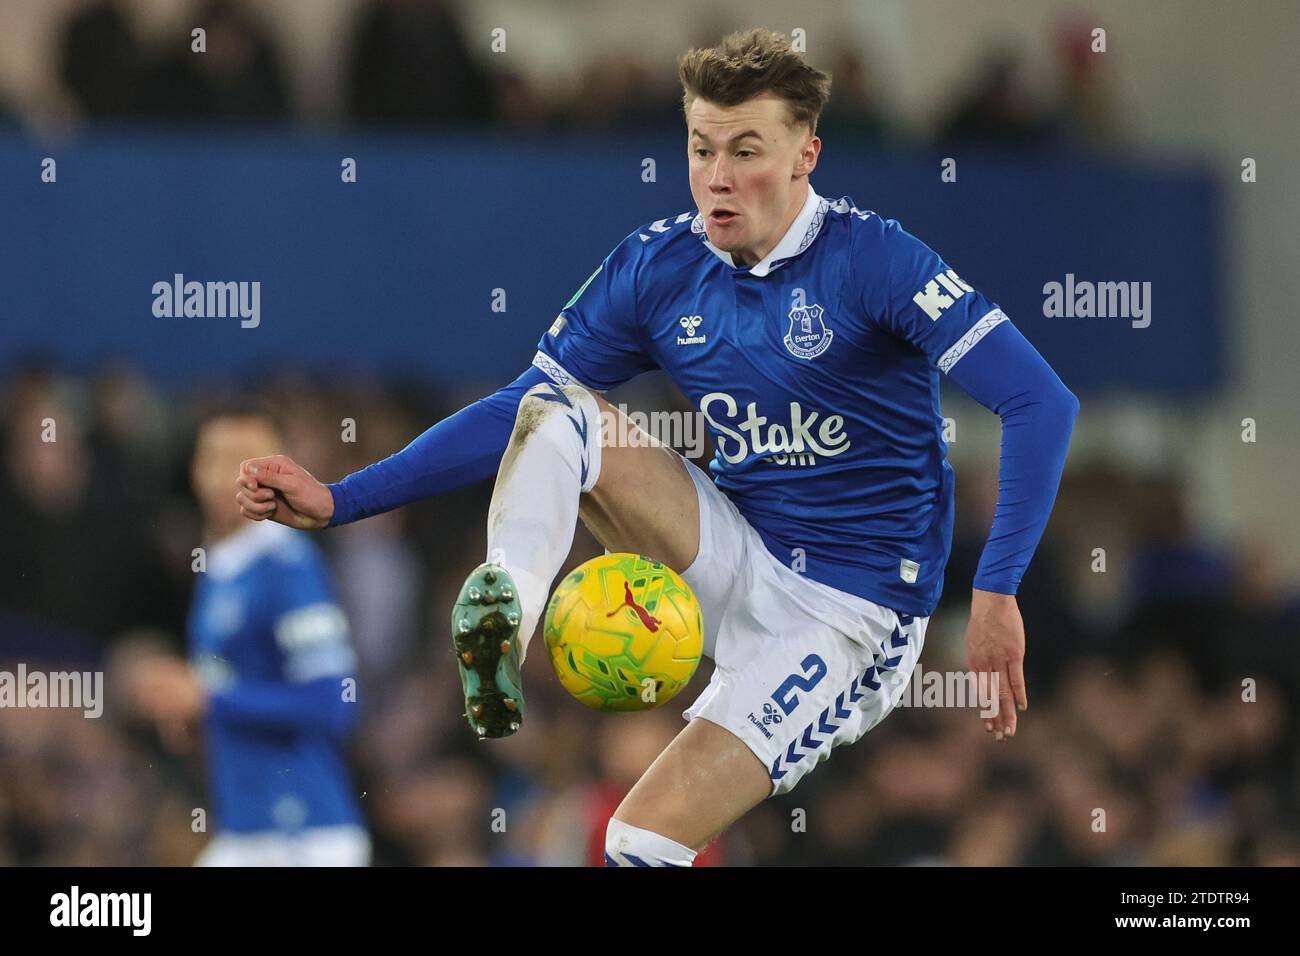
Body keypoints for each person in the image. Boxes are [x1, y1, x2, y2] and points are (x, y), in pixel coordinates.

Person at [235, 29, 1078, 867]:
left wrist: (997, 592)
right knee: (555, 409)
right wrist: (344, 499)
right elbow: (512, 414)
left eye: (747, 150)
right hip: (735, 552)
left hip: (851, 614)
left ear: (804, 156)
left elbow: (1041, 400)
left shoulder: (876, 261)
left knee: (637, 841)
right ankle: (504, 612)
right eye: (701, 147)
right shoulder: (659, 268)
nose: (717, 175)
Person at [134, 408, 368, 866]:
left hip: (301, 837)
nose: (230, 477)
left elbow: (334, 702)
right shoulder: (221, 566)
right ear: (195, 472)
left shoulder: (288, 566)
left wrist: (208, 699)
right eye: (216, 459)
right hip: (247, 831)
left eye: (249, 461)